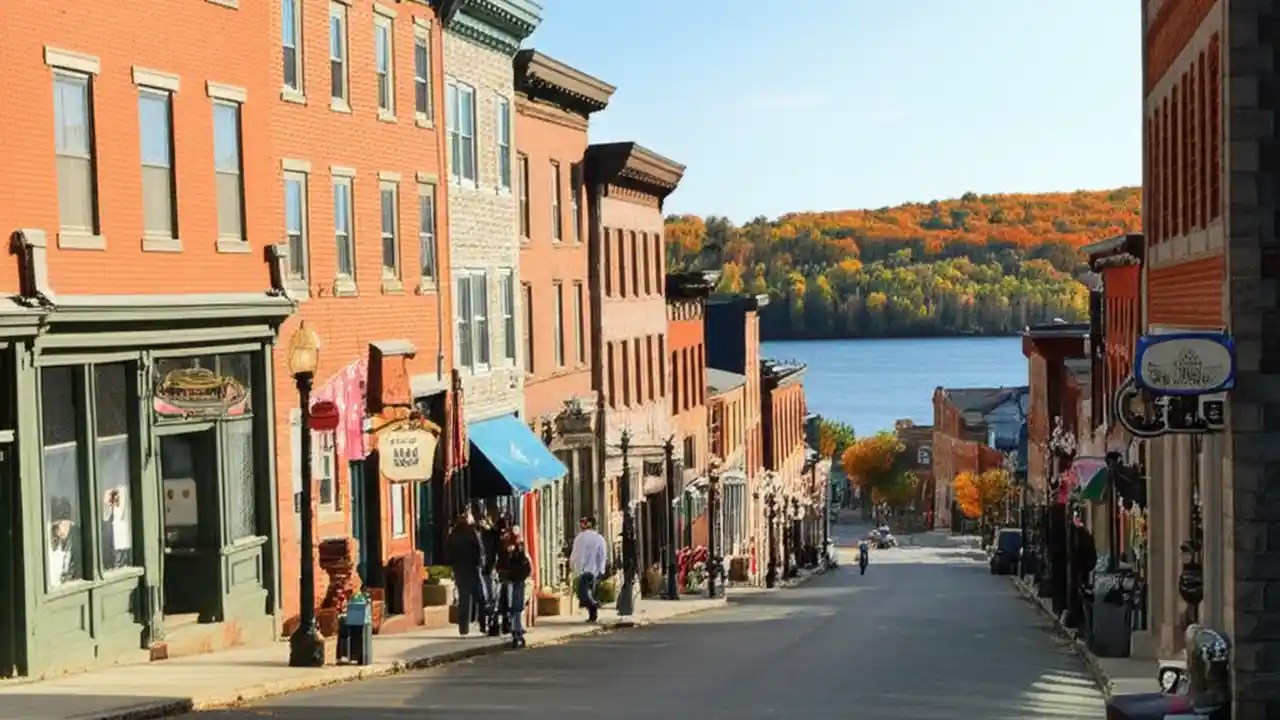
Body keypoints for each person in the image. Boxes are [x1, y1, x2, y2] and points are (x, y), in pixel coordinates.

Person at [445, 511, 485, 636]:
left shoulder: (453, 535)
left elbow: (448, 553)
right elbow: (479, 550)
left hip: (460, 570)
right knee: (480, 597)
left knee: (464, 598)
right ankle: (483, 624)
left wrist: (452, 566)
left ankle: (464, 628)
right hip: (472, 569)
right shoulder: (472, 533)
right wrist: (480, 564)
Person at [500, 525, 533, 648]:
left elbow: (526, 566)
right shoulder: (510, 551)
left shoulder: (518, 550)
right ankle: (515, 628)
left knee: (516, 607)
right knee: (514, 607)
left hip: (515, 581)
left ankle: (516, 628)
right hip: (513, 581)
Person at [569, 516, 606, 622]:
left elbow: (575, 554)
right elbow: (602, 555)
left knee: (582, 593)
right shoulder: (599, 538)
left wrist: (572, 566)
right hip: (594, 570)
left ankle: (593, 605)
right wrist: (601, 569)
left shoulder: (580, 538)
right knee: (589, 592)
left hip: (583, 570)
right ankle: (592, 614)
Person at [477, 511, 502, 636]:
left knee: (491, 597)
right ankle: (487, 623)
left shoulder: (492, 534)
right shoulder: (479, 535)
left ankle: (491, 623)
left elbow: (496, 551)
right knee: (487, 597)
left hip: (490, 569)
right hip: (483, 569)